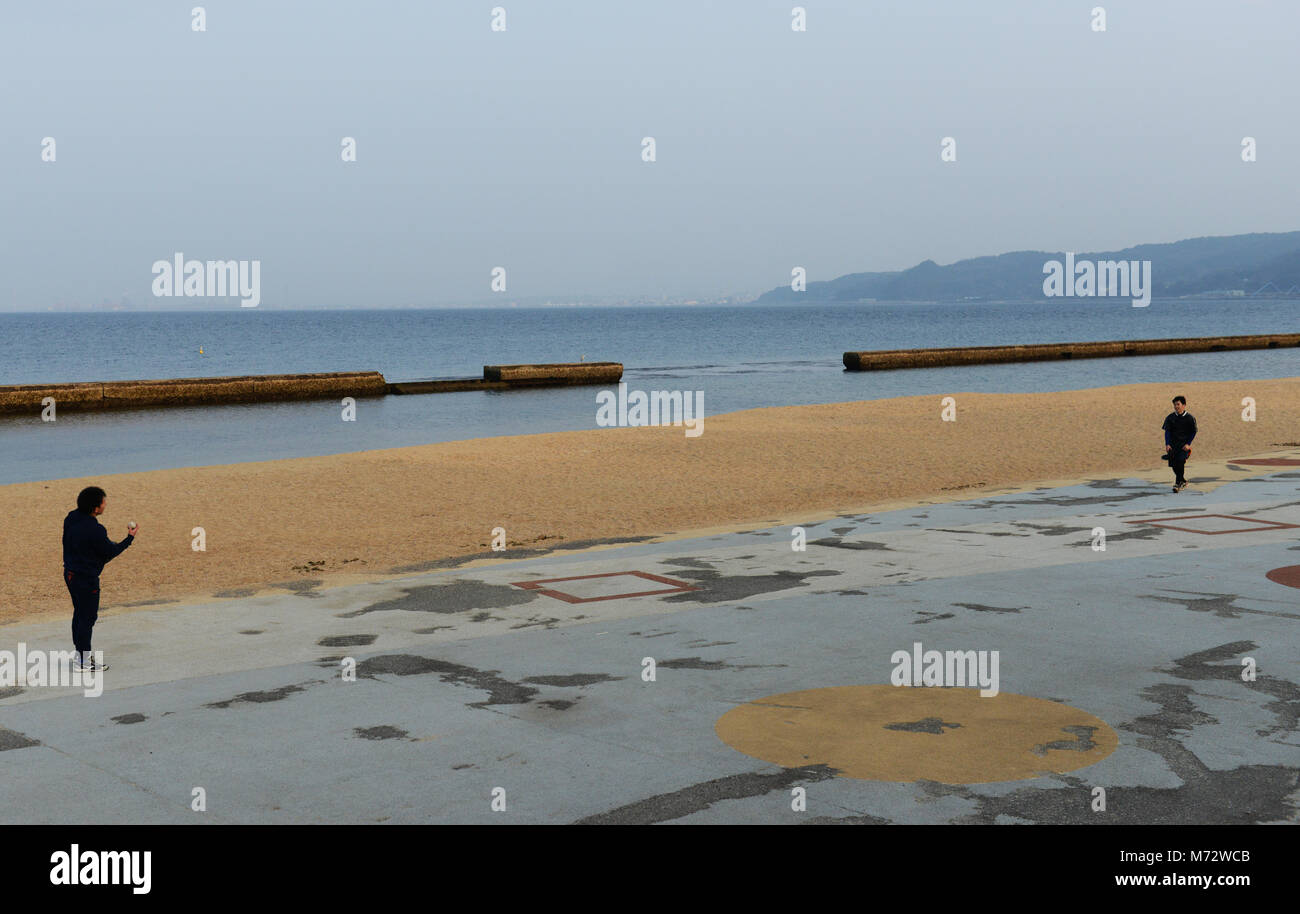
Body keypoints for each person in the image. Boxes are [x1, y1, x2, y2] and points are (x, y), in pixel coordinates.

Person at [63, 486, 137, 671]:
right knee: (87, 618)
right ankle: (84, 662)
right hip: (86, 579)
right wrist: (129, 539)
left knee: (79, 614)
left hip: (70, 574)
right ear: (96, 508)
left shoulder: (71, 517)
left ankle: (80, 655)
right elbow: (109, 552)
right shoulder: (95, 529)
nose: (105, 504)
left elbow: (78, 544)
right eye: (103, 501)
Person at [1162, 395, 1197, 493]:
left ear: (1184, 405)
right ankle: (1183, 480)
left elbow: (1193, 432)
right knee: (1174, 466)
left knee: (1180, 463)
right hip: (1173, 445)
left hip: (1183, 446)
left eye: (1178, 404)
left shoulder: (1190, 418)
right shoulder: (1170, 417)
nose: (1176, 406)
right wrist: (1167, 444)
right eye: (1175, 405)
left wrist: (1188, 444)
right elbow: (1167, 432)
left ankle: (1177, 484)